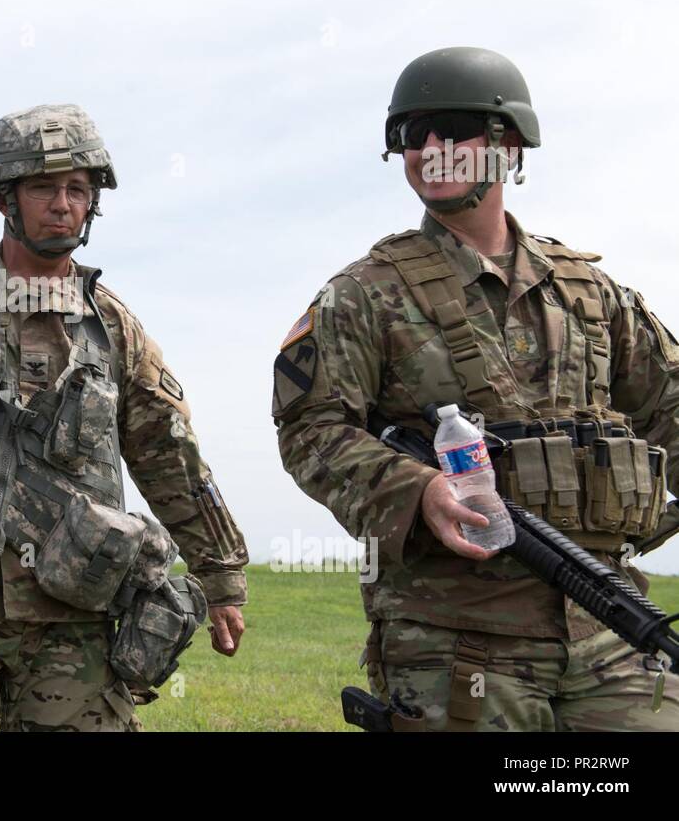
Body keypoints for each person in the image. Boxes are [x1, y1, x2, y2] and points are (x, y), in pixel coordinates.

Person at [273, 46, 679, 730]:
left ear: (508, 141)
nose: (432, 147)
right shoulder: (364, 295)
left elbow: (671, 404)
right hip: (455, 637)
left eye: (454, 128)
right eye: (412, 133)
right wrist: (416, 489)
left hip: (610, 626)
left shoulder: (590, 294)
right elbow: (311, 428)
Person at [0, 104, 248, 731]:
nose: (62, 204)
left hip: (76, 613)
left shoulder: (112, 325)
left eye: (77, 190)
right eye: (43, 187)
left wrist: (220, 574)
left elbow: (169, 454)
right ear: (5, 198)